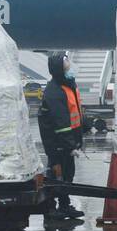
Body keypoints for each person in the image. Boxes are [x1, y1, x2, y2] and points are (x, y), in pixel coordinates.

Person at [37, 51, 84, 218]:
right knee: (56, 176)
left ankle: (64, 205)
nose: (70, 67)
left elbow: (75, 114)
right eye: (67, 64)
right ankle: (50, 208)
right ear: (59, 69)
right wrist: (70, 145)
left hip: (67, 144)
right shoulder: (55, 92)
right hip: (58, 145)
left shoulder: (68, 85)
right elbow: (61, 123)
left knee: (66, 176)